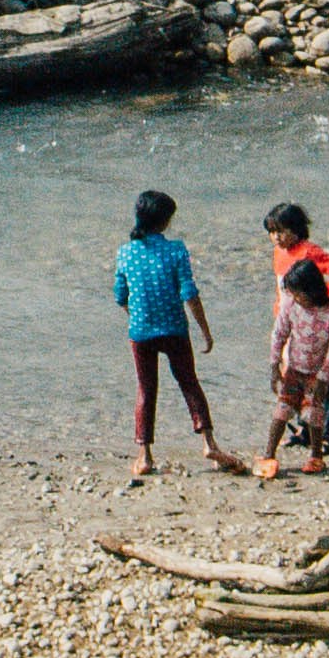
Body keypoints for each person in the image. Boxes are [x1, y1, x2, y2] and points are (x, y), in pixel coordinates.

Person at [115, 189, 231, 480]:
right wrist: (205, 331)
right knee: (190, 383)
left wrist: (137, 317)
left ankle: (145, 456)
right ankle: (209, 443)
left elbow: (120, 295)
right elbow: (189, 293)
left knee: (146, 390)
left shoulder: (125, 252)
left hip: (141, 332)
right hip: (175, 330)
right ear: (166, 221)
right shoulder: (176, 249)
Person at [262, 201, 329, 458]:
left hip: (312, 323)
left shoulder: (308, 252)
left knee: (317, 375)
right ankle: (305, 429)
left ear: (297, 230)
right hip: (290, 321)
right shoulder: (280, 253)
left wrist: (323, 303)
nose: (276, 237)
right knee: (294, 374)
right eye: (271, 232)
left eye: (281, 231)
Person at [259, 254, 329, 480]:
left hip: (316, 373)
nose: (295, 298)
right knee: (282, 410)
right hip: (294, 369)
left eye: (299, 293)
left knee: (314, 414)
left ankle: (316, 455)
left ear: (312, 290)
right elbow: (279, 333)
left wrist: (324, 379)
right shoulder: (290, 304)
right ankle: (269, 454)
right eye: (293, 293)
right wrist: (274, 365)